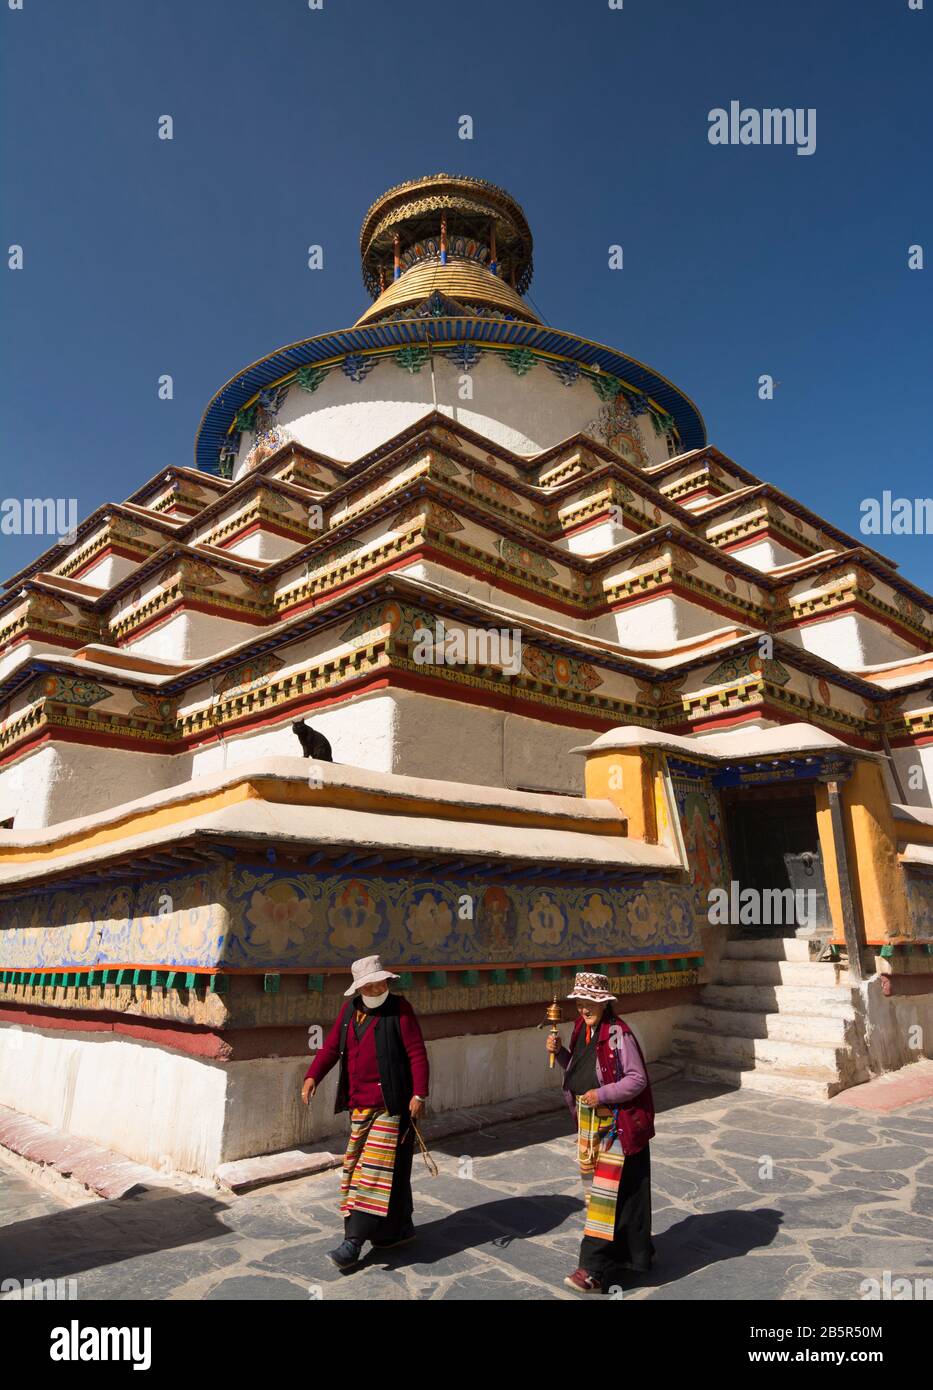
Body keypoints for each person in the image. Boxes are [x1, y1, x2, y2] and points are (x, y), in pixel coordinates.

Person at [301, 955, 429, 1270]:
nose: (377, 988)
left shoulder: (400, 1010)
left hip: (391, 1106)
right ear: (360, 989)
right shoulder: (350, 1012)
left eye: (381, 982)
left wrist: (419, 1093)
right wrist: (312, 1076)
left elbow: (416, 1053)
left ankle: (353, 1242)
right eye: (370, 985)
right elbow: (331, 1048)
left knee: (372, 1171)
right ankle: (396, 1230)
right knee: (369, 1169)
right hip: (359, 1106)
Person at [546, 971, 656, 1293]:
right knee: (613, 1197)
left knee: (602, 1201)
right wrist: (562, 1052)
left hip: (615, 1128)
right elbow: (578, 1070)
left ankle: (591, 1270)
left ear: (604, 1003)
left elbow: (637, 1079)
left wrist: (602, 1094)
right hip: (589, 1126)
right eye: (580, 1002)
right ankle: (633, 1254)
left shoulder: (619, 1035)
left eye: (590, 1002)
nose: (584, 1008)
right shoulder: (582, 1029)